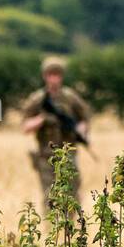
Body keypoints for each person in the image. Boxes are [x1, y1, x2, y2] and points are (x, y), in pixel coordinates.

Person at [21, 56, 92, 207]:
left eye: (57, 75)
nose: (54, 79)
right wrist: (42, 119)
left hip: (68, 155)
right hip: (46, 155)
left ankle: (70, 227)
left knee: (72, 194)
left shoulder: (70, 97)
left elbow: (85, 118)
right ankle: (50, 229)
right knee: (49, 195)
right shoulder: (38, 99)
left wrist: (80, 129)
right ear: (45, 76)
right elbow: (25, 126)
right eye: (50, 75)